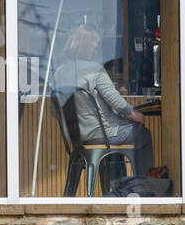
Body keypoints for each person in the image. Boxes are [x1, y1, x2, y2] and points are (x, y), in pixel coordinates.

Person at [51, 22, 153, 177]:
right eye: (95, 45)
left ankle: (115, 186)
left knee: (117, 139)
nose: (97, 49)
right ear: (84, 46)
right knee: (143, 134)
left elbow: (54, 110)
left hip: (76, 138)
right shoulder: (94, 69)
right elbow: (116, 101)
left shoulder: (58, 72)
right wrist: (134, 115)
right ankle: (142, 184)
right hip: (102, 133)